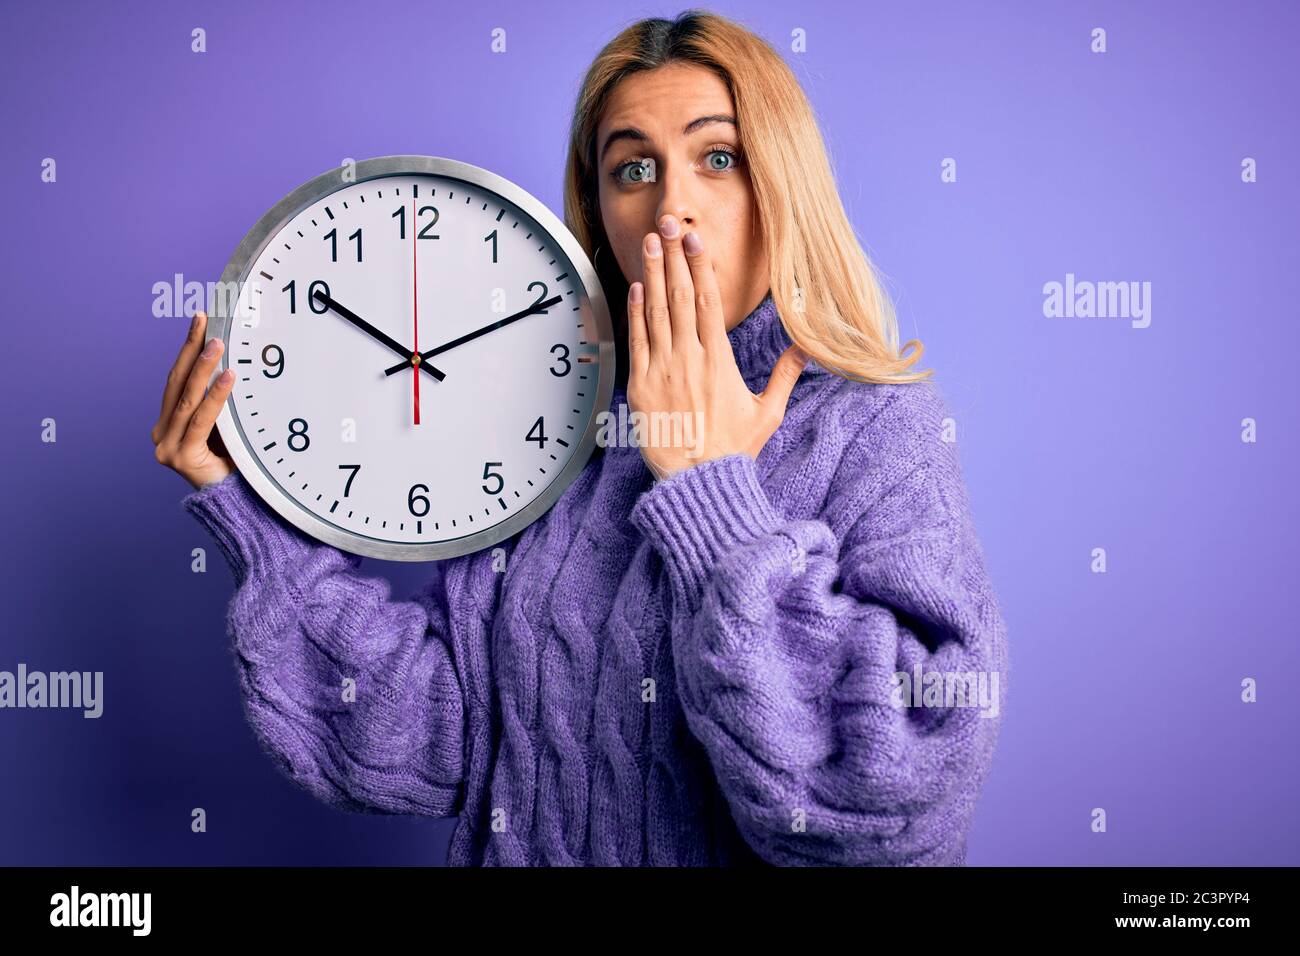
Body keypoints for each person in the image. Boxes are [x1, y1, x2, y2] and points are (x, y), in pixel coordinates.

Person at [151, 10, 1008, 866]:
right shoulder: (558, 427)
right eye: (633, 168)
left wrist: (710, 487)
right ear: (599, 219)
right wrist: (253, 516)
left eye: (719, 157)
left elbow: (892, 811)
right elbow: (441, 746)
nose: (672, 207)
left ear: (783, 185)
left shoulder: (876, 429)